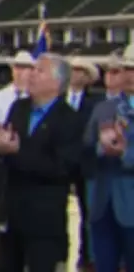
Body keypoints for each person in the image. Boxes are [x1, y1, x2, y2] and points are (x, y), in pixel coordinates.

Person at [0, 52, 82, 272]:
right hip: (11, 213)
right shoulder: (18, 108)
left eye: (39, 71)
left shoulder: (69, 119)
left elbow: (62, 167)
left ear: (57, 82)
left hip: (44, 220)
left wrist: (16, 152)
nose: (30, 75)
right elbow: (6, 147)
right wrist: (0, 149)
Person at [84, 44, 134, 272]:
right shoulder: (103, 109)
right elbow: (83, 150)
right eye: (127, 68)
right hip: (103, 205)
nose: (130, 74)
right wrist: (99, 148)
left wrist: (125, 153)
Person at [0, 50, 34, 264]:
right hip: (3, 156)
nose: (21, 72)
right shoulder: (0, 97)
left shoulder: (35, 98)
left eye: (25, 68)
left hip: (28, 156)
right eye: (18, 68)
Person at [65, 56, 102, 269]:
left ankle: (86, 255)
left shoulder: (94, 103)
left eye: (80, 70)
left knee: (88, 212)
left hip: (85, 164)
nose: (75, 74)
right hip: (61, 162)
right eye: (72, 69)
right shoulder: (59, 100)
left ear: (88, 78)